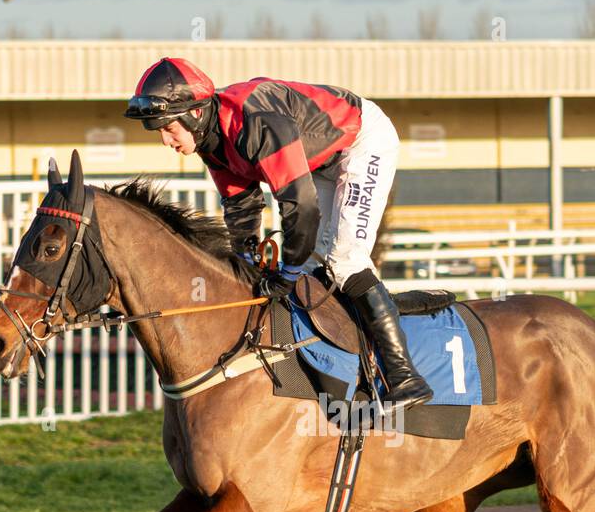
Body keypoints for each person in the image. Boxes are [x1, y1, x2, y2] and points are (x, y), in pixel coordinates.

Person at [125, 57, 433, 411]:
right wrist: (247, 262)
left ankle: (405, 378)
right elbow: (241, 207)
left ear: (194, 114)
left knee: (345, 263)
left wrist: (287, 270)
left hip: (362, 141)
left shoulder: (255, 123)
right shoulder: (211, 142)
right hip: (322, 160)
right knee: (314, 272)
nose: (165, 140)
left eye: (168, 128)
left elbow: (300, 207)